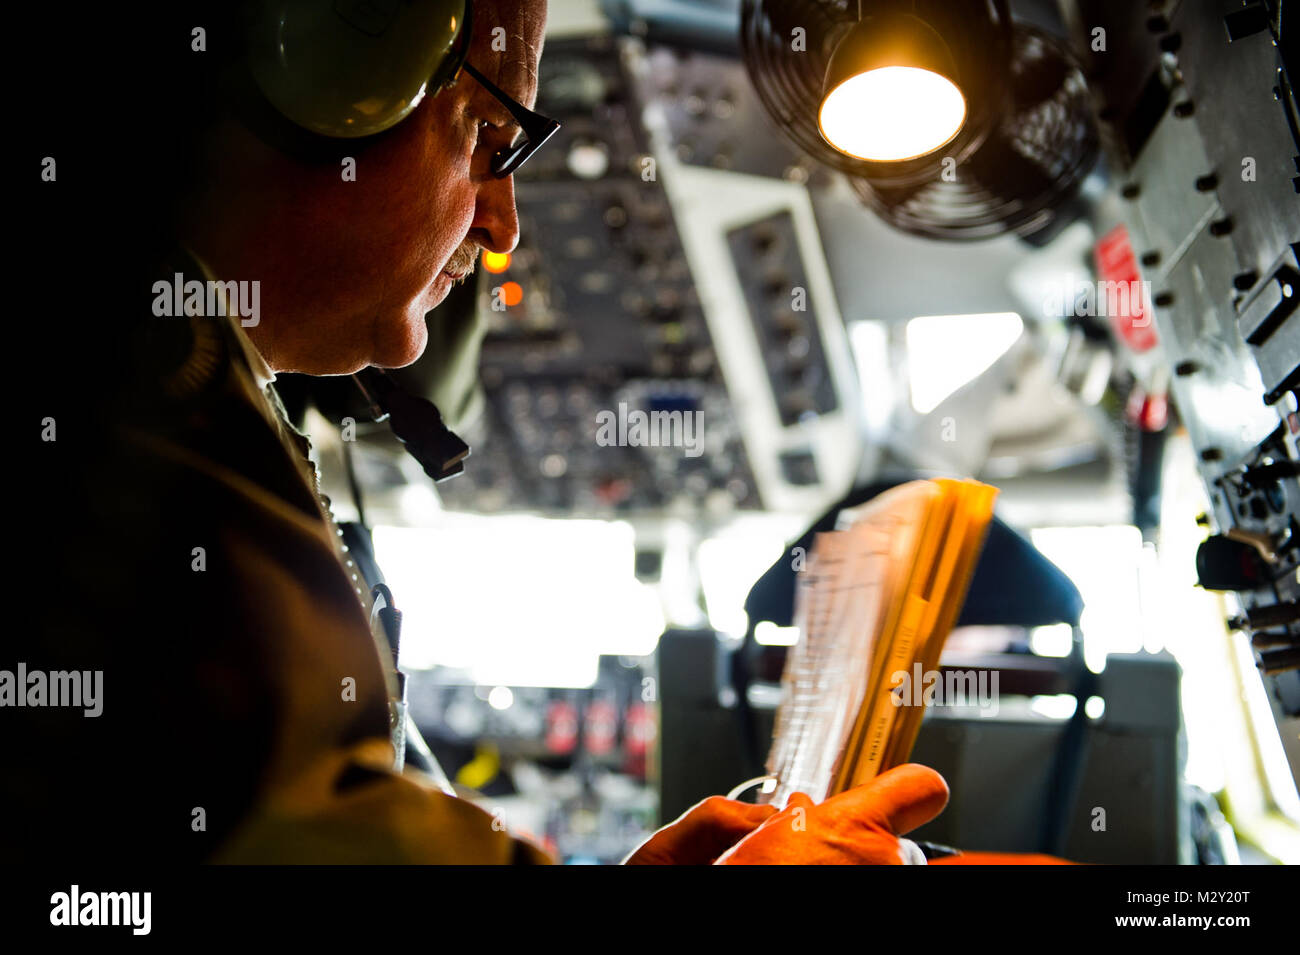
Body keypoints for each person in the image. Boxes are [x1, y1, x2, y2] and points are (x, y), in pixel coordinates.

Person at [11, 0, 952, 865]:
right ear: (333, 73)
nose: (501, 224)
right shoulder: (146, 408)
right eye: (493, 136)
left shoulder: (192, 380)